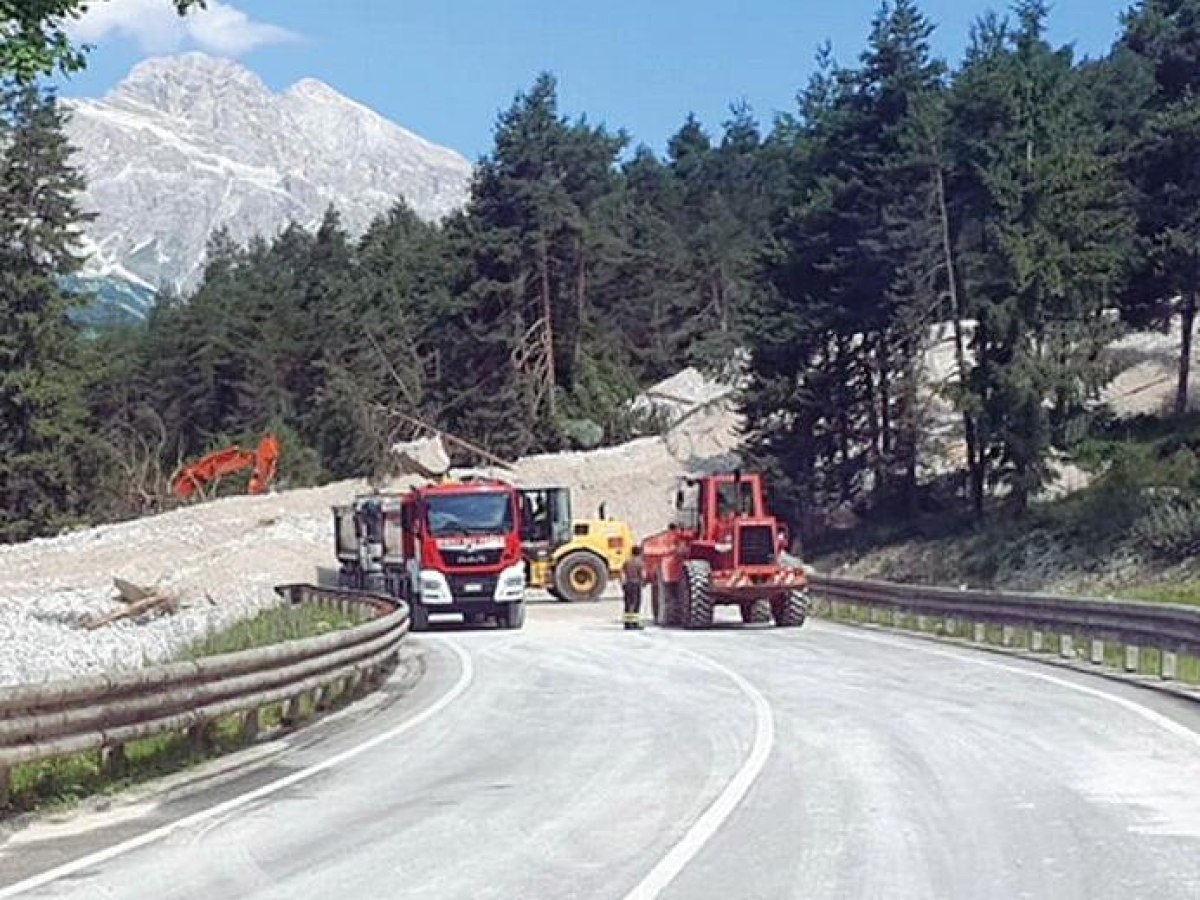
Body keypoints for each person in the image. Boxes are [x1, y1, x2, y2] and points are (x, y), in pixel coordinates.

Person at [621, 545, 645, 630]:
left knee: (627, 604)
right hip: (636, 584)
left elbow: (622, 574)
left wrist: (623, 584)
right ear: (639, 553)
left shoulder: (627, 562)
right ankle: (634, 623)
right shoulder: (640, 563)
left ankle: (627, 623)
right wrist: (643, 583)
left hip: (627, 584)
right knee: (635, 604)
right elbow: (642, 575)